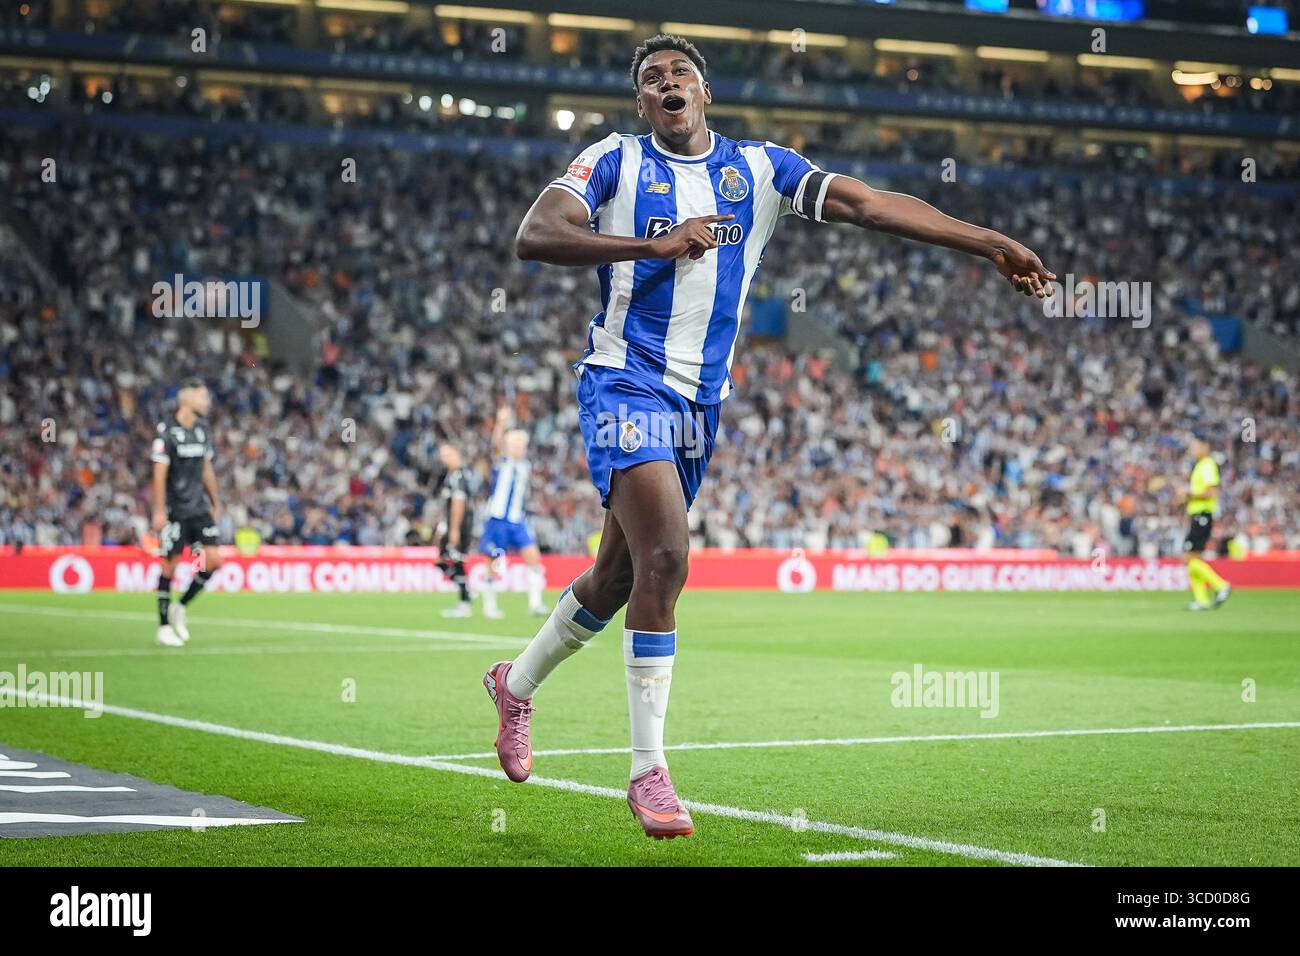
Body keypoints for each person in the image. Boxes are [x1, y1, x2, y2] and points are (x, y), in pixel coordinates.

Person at [483, 34, 1055, 839]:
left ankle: (517, 683)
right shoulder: (612, 159)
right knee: (669, 559)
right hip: (623, 379)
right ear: (641, 102)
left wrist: (986, 240)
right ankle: (649, 771)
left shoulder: (759, 169)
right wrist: (651, 244)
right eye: (651, 79)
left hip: (699, 405)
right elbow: (536, 235)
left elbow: (869, 203)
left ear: (704, 90)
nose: (666, 83)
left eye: (679, 72)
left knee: (616, 578)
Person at [150, 379, 224, 646]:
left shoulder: (203, 430)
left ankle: (180, 606)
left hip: (199, 508)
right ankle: (163, 627)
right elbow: (159, 474)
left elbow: (206, 468)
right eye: (203, 397)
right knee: (169, 566)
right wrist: (159, 511)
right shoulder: (167, 431)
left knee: (213, 561)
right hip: (175, 509)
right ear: (188, 399)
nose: (207, 402)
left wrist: (215, 501)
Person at [477, 406, 548, 618]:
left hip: (517, 521)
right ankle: (490, 606)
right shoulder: (502, 462)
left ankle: (535, 604)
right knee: (494, 563)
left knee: (533, 558)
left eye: (521, 444)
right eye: (514, 444)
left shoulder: (525, 466)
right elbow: (495, 445)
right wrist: (501, 423)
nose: (517, 448)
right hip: (497, 521)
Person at [1182, 434, 1232, 611]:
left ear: (1205, 446)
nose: (1192, 449)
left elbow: (1212, 492)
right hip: (1197, 515)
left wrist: (1188, 494)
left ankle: (1221, 585)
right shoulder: (1199, 466)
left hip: (1203, 515)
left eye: (1195, 446)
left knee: (1188, 557)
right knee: (1192, 558)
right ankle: (1201, 600)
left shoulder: (1208, 465)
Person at [435, 442, 477, 618]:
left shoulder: (458, 476)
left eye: (447, 455)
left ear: (456, 454)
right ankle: (466, 590)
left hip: (459, 524)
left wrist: (454, 529)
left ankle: (464, 603)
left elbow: (458, 504)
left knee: (456, 561)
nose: (443, 459)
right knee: (443, 560)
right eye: (442, 455)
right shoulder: (451, 475)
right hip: (452, 524)